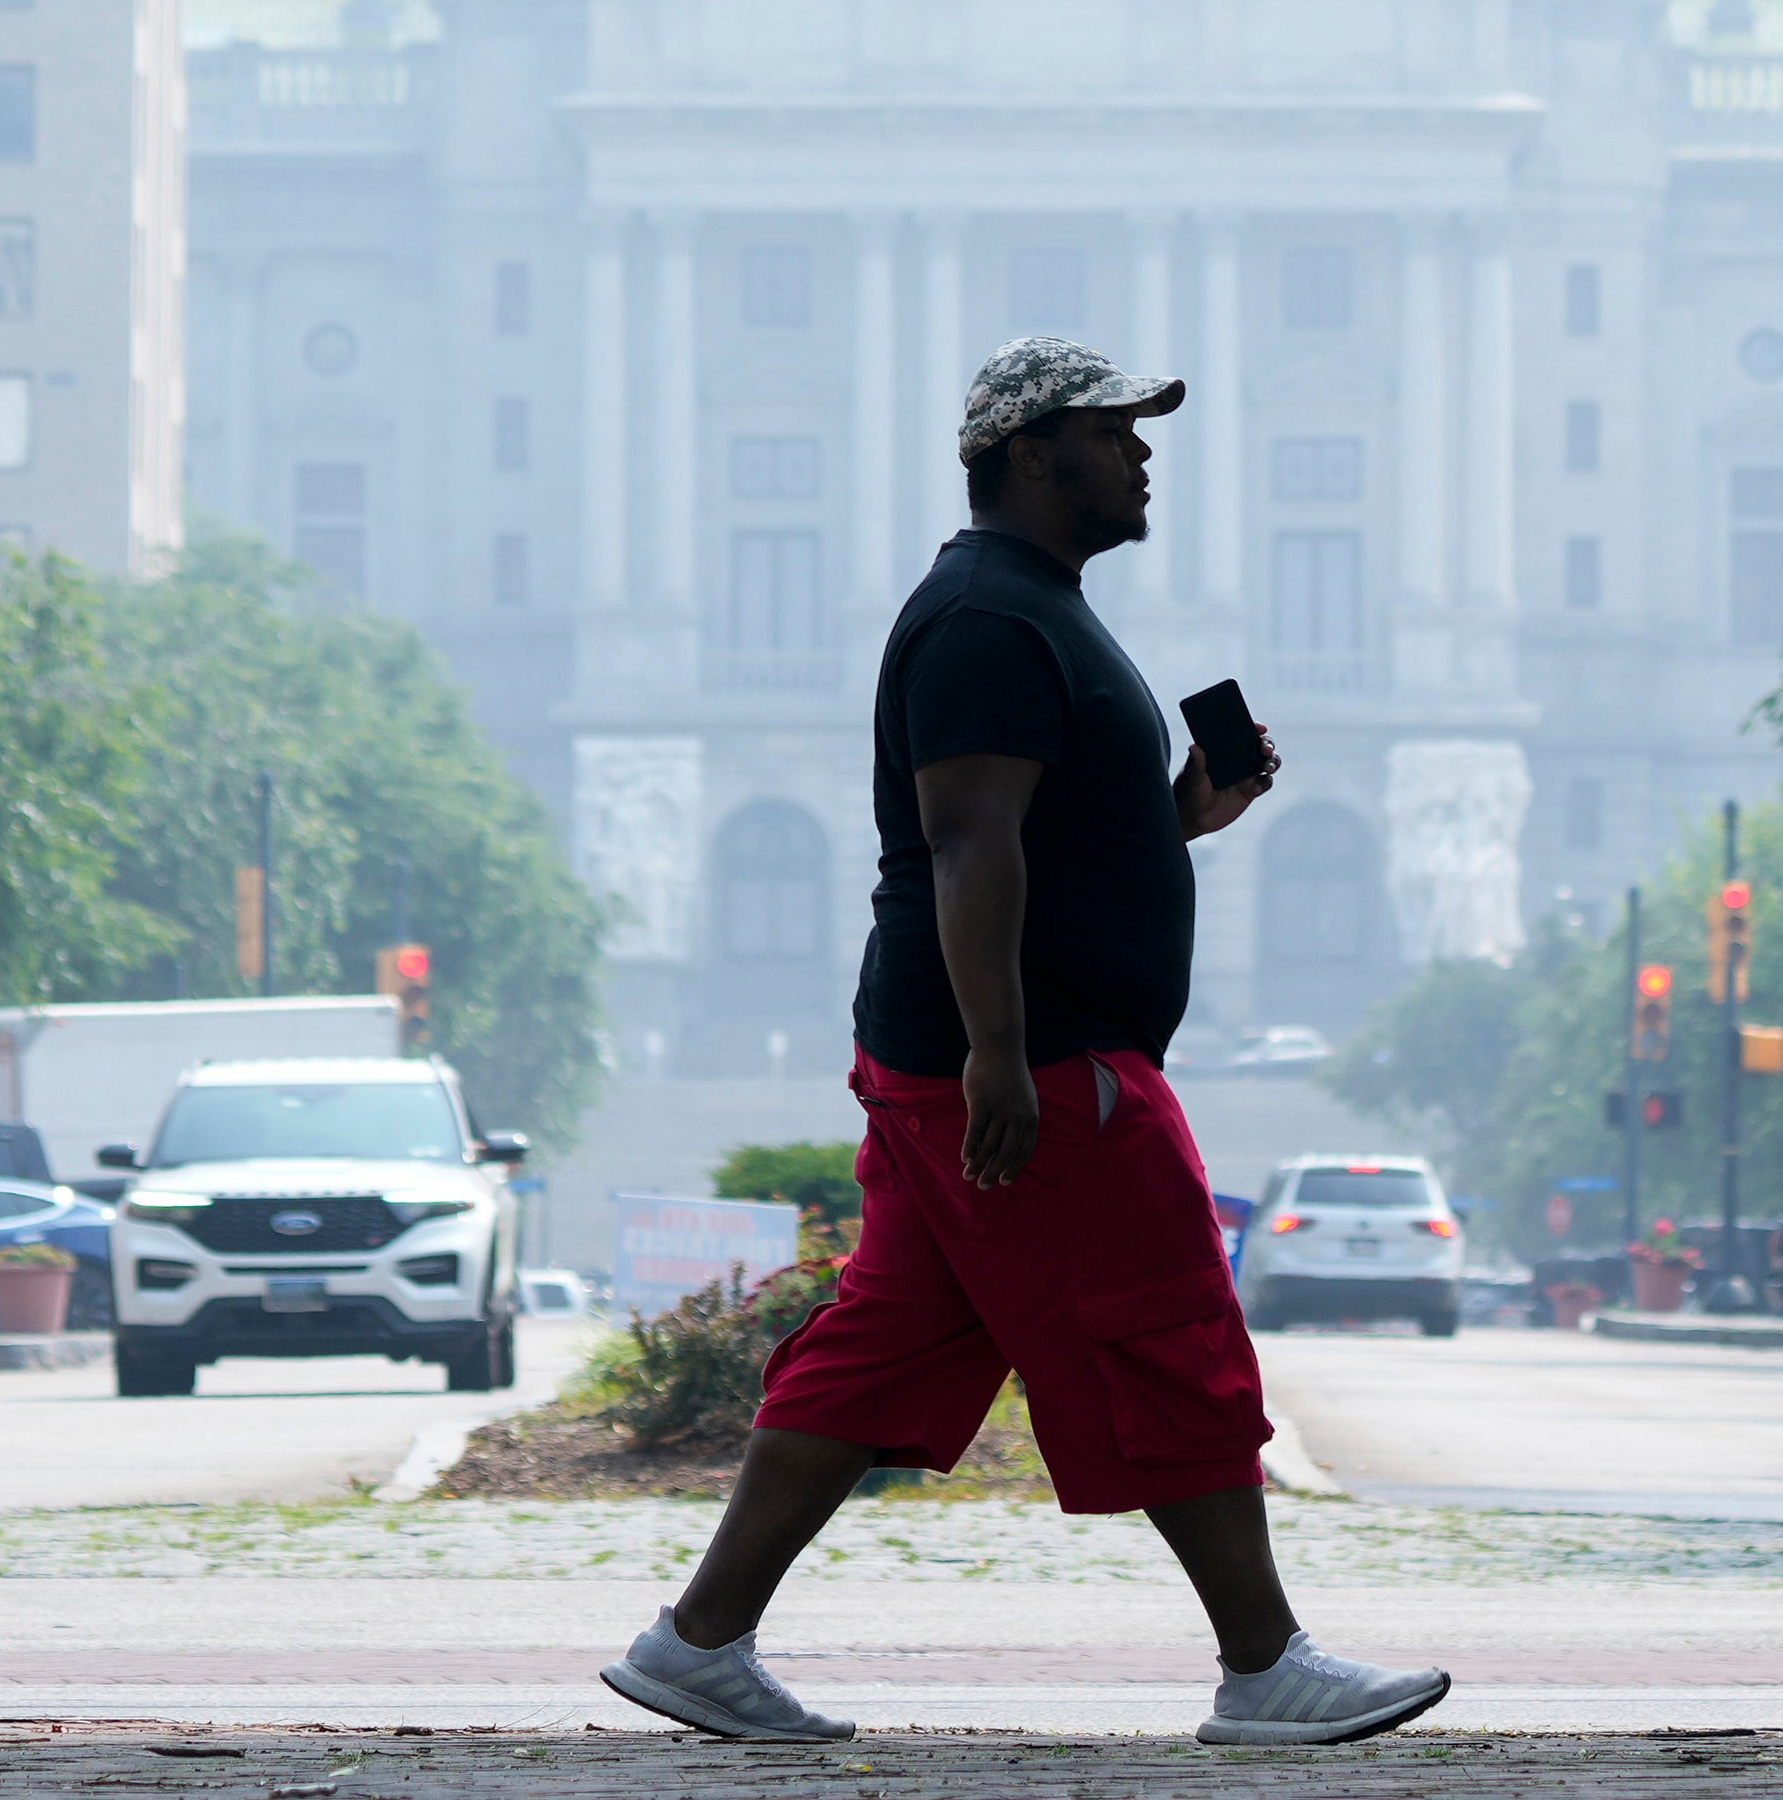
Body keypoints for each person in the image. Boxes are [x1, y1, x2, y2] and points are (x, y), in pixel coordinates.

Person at [602, 337, 1453, 1749]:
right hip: (1038, 1065)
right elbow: (965, 836)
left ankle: (696, 1643)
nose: (1143, 458)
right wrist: (999, 1050)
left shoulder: (1030, 610)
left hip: (986, 1050)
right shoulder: (991, 620)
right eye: (1119, 433)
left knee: (887, 1343)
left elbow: (1039, 836)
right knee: (1171, 1326)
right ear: (1034, 449)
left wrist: (1179, 815)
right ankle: (1265, 1668)